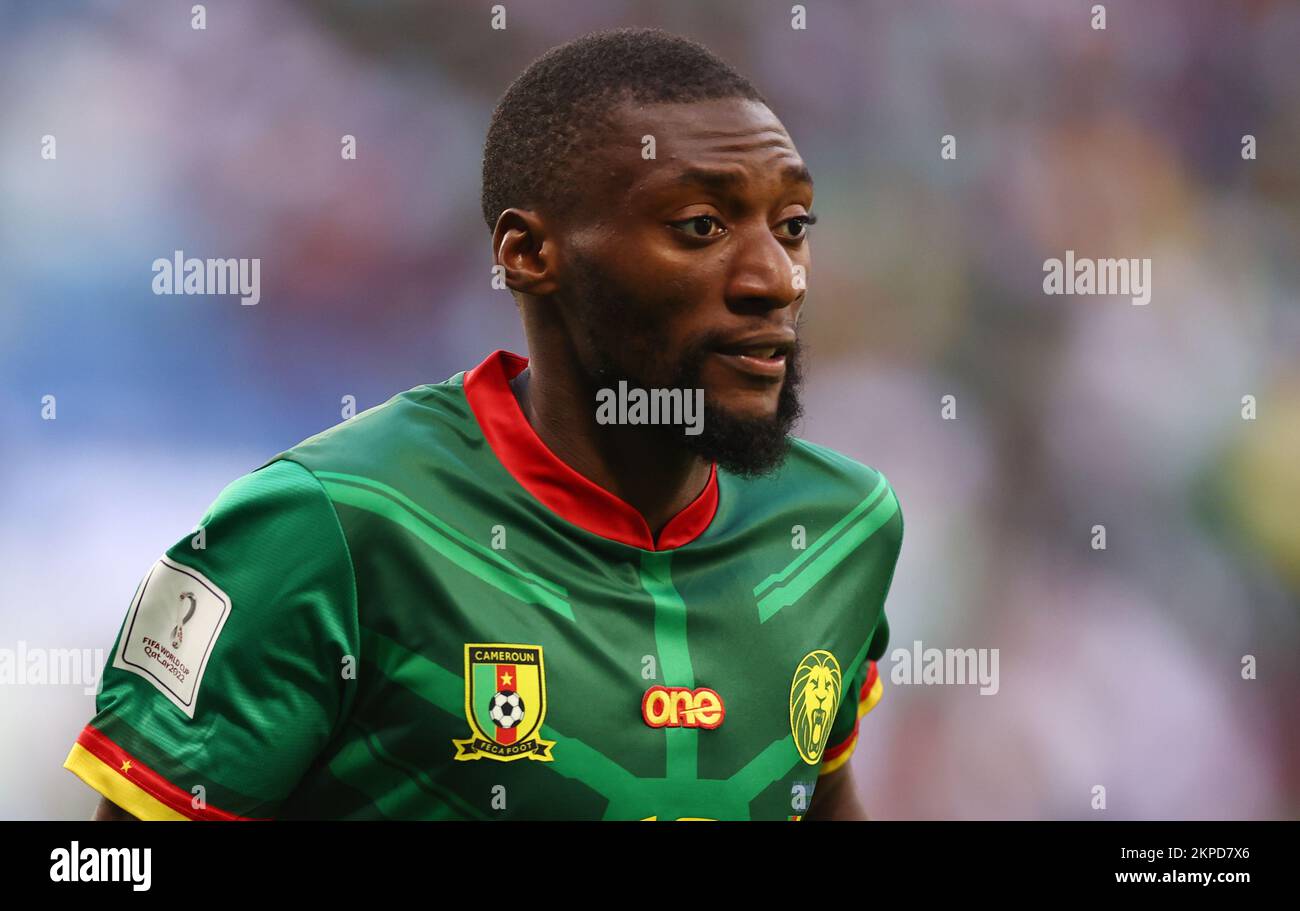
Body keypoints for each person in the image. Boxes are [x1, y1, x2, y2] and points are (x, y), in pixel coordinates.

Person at [67, 26, 902, 821]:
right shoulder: (330, 529)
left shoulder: (840, 529)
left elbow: (819, 798)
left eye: (793, 226)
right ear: (529, 254)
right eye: (701, 227)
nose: (776, 279)